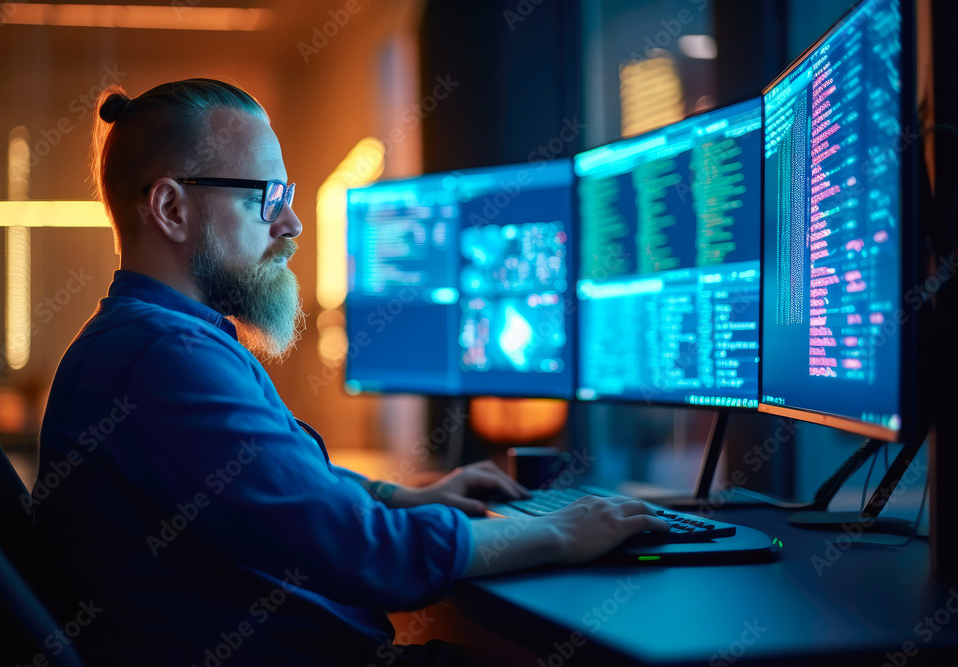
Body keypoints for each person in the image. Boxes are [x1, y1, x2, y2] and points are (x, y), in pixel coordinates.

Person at [34, 78, 668, 666]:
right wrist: (559, 533)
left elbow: (290, 486)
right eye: (267, 198)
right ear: (171, 208)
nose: (291, 223)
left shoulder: (158, 342)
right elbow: (364, 551)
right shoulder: (163, 357)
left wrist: (403, 496)